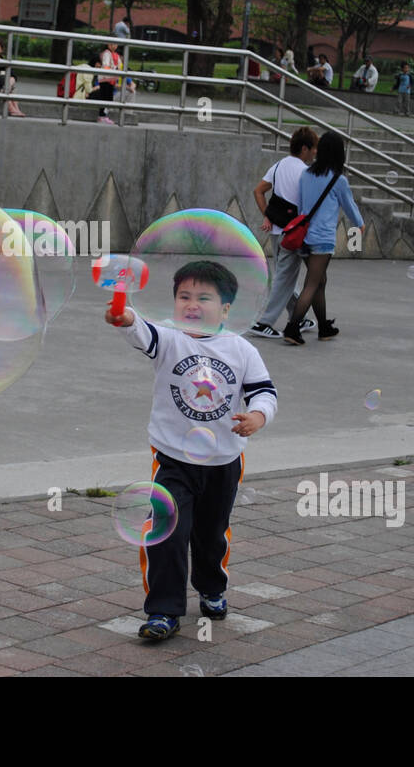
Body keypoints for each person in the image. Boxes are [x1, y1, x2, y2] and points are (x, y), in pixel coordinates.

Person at [105, 260, 277, 641]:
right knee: (166, 532)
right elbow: (139, 330)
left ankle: (212, 587)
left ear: (226, 308)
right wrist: (124, 314)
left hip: (223, 461)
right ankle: (164, 610)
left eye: (204, 297)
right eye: (184, 296)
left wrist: (258, 417)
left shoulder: (242, 349)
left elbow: (264, 392)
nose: (192, 304)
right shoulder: (169, 338)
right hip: (172, 459)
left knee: (211, 533)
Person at [282, 131, 364, 346]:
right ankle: (293, 327)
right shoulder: (339, 180)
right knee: (312, 284)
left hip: (305, 237)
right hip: (322, 239)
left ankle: (324, 326)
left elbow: (301, 205)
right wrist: (360, 224)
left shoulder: (306, 174)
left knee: (320, 282)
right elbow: (349, 205)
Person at [250, 127, 319, 339]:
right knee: (285, 278)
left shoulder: (279, 165)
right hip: (294, 234)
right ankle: (264, 323)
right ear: (305, 148)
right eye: (314, 148)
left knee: (284, 276)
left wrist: (268, 215)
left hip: (277, 230)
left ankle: (298, 316)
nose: (316, 152)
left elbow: (258, 190)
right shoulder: (306, 172)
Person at [91, 44, 124, 124]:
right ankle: (102, 116)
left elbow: (119, 65)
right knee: (105, 97)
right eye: (112, 44)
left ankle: (104, 115)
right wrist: (115, 69)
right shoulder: (106, 53)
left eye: (116, 44)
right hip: (105, 79)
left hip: (111, 80)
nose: (114, 46)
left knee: (109, 98)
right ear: (108, 45)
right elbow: (106, 65)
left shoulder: (116, 55)